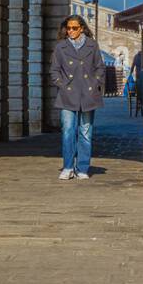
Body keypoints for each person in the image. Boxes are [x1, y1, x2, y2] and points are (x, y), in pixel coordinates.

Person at [51, 14, 106, 180]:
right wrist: (61, 84)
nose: (71, 31)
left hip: (88, 94)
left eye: (74, 28)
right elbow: (54, 70)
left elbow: (100, 68)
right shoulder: (61, 47)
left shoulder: (92, 45)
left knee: (85, 132)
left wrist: (95, 83)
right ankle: (68, 167)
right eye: (68, 28)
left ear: (81, 28)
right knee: (68, 131)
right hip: (68, 94)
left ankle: (82, 167)